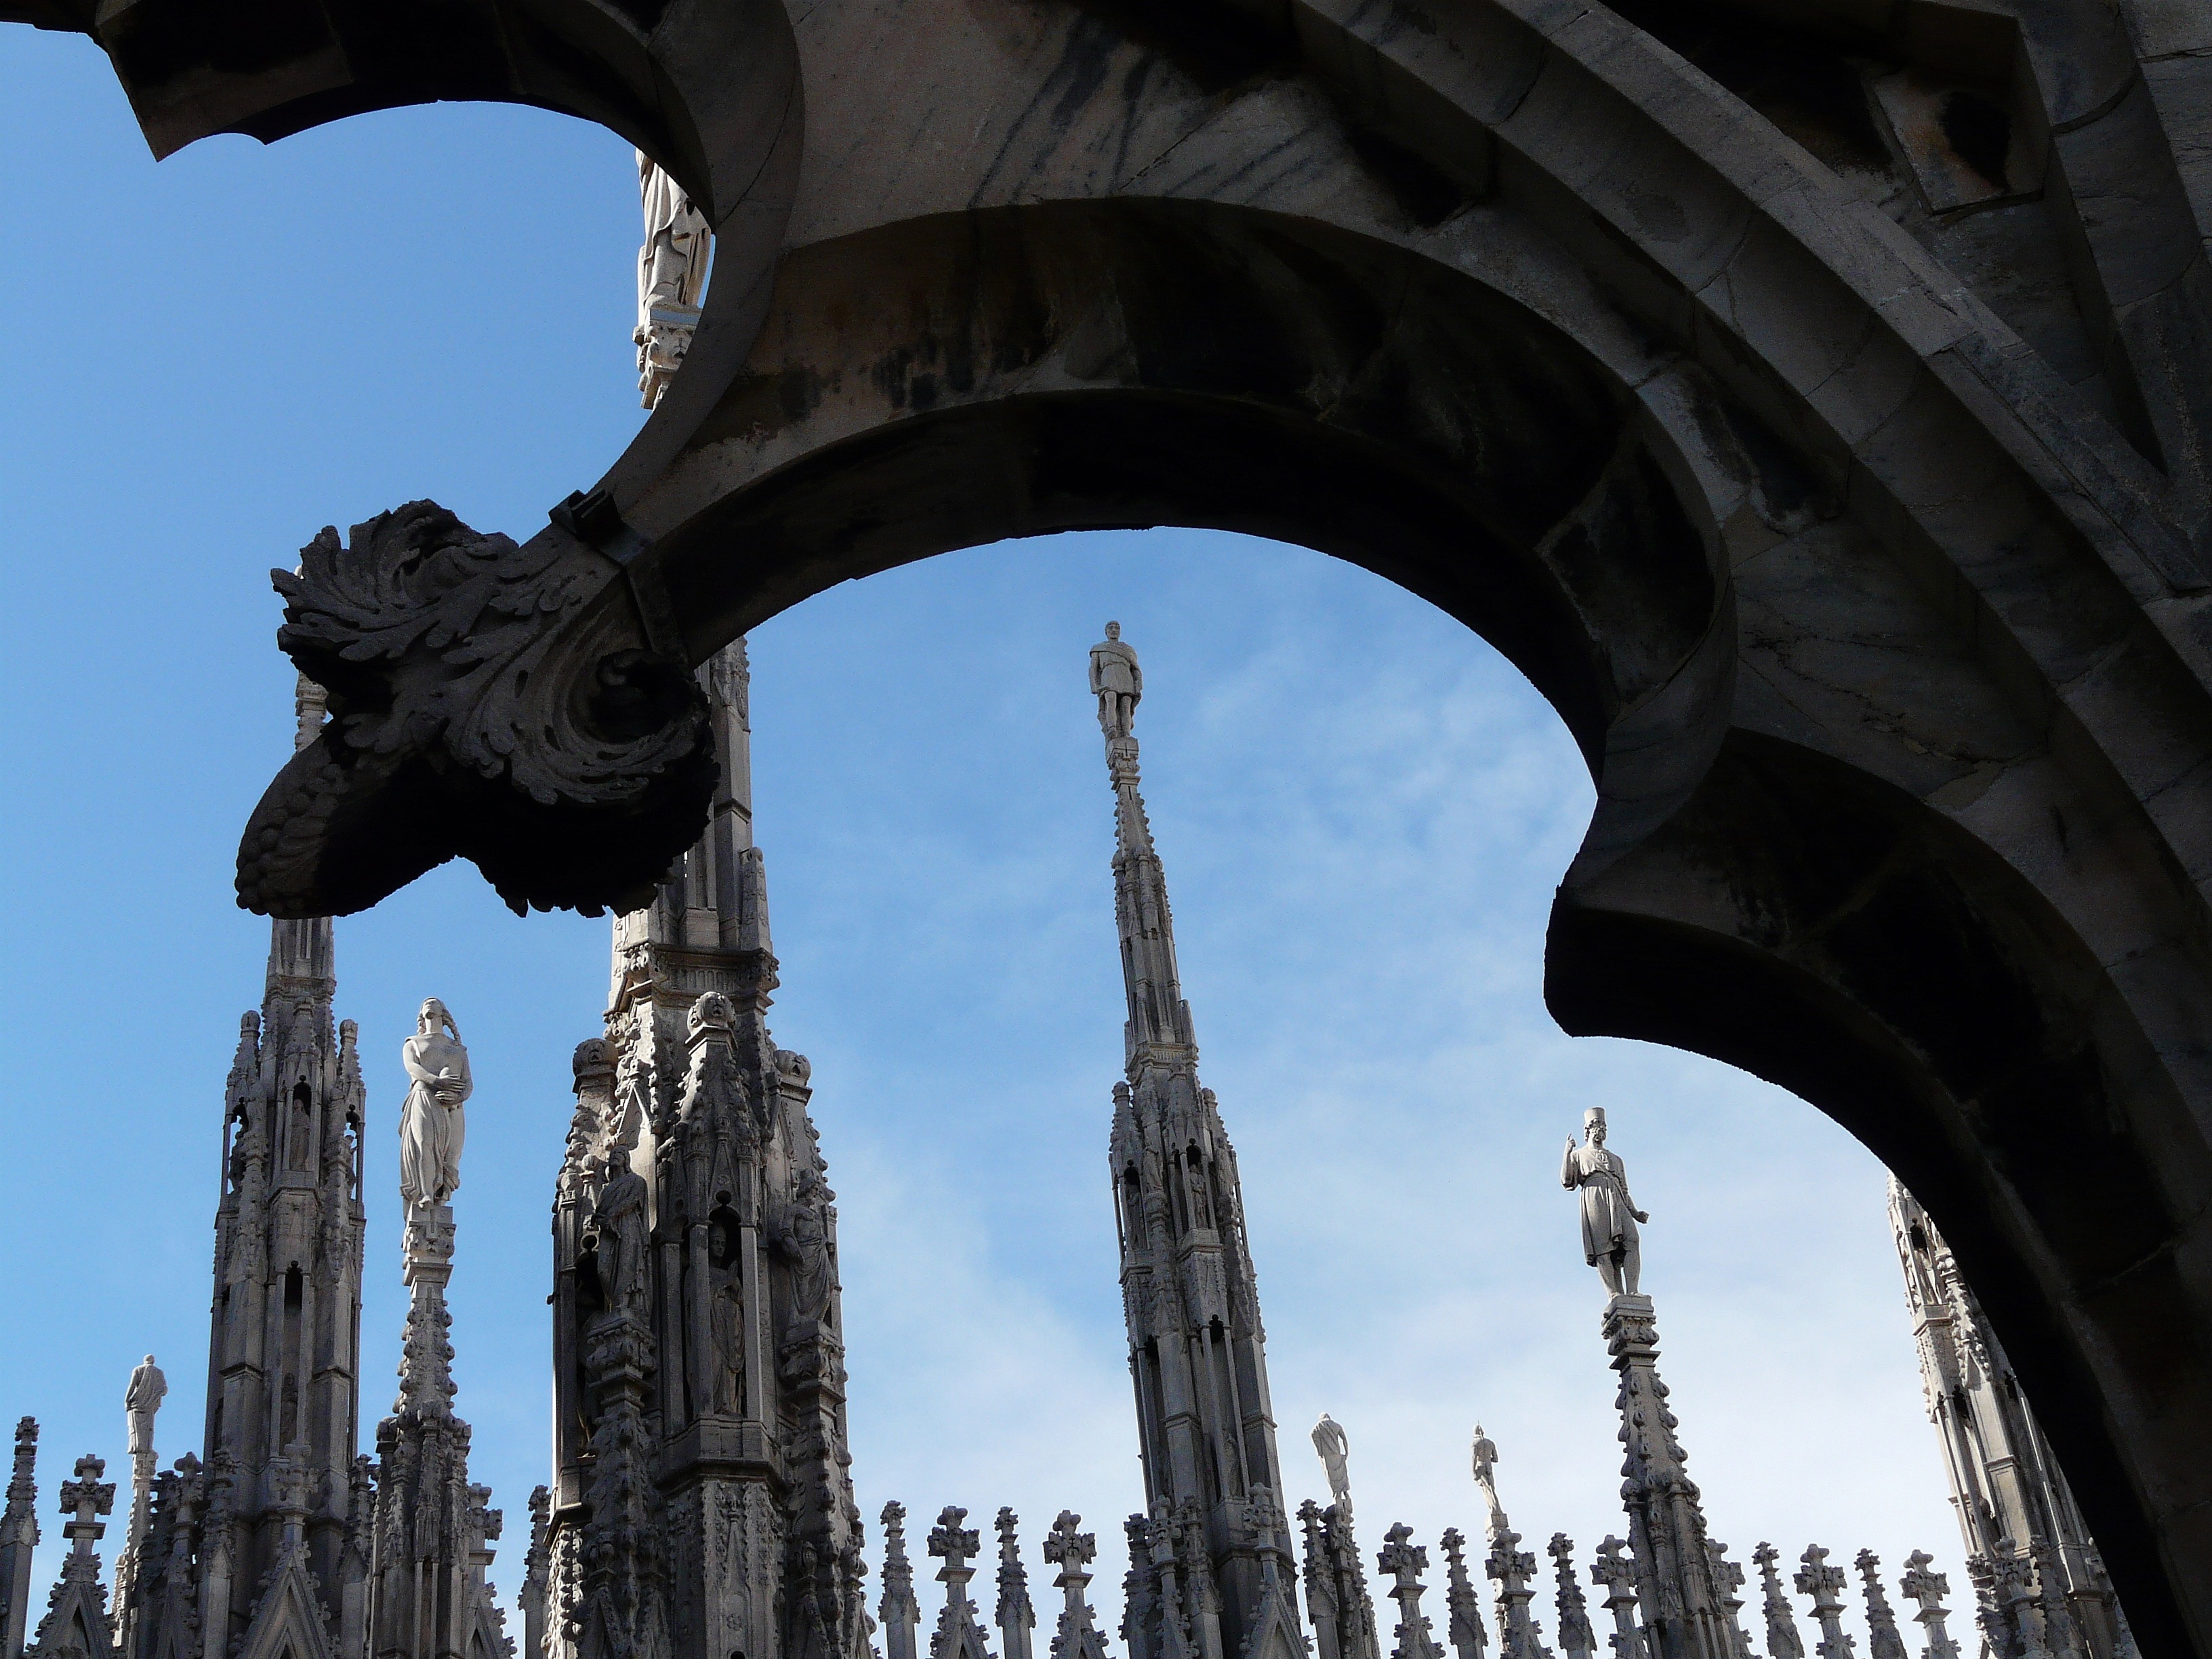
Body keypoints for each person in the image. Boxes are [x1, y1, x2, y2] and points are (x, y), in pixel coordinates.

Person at [1561, 1106, 1647, 1296]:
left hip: (1617, 1199)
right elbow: (1567, 1181)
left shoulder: (1616, 1159)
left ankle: (1633, 1291)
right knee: (1603, 1248)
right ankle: (1614, 1294)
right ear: (1589, 1129)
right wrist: (1567, 1153)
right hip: (1594, 1198)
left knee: (1632, 1240)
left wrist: (1635, 1212)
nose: (1602, 1129)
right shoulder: (1579, 1155)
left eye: (1604, 1126)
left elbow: (1625, 1189)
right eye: (1598, 1125)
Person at [398, 999, 471, 1214]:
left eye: (434, 1004)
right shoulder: (413, 1043)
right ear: (421, 1015)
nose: (429, 1005)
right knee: (424, 1144)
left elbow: (468, 1082)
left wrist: (458, 1098)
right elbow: (413, 1068)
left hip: (453, 1107)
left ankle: (441, 1195)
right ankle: (426, 1193)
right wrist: (438, 1082)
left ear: (443, 1014)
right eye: (425, 1005)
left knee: (451, 1158)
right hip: (424, 1097)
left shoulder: (457, 1049)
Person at [1090, 622, 1143, 739]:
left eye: (1117, 628)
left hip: (1125, 675)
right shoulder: (1099, 649)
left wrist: (1138, 683)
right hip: (1108, 674)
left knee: (1125, 705)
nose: (1114, 630)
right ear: (1106, 632)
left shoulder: (1127, 649)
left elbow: (1135, 668)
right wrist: (1095, 685)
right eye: (1110, 628)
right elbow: (1093, 669)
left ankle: (1126, 733)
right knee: (1111, 701)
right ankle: (1112, 728)